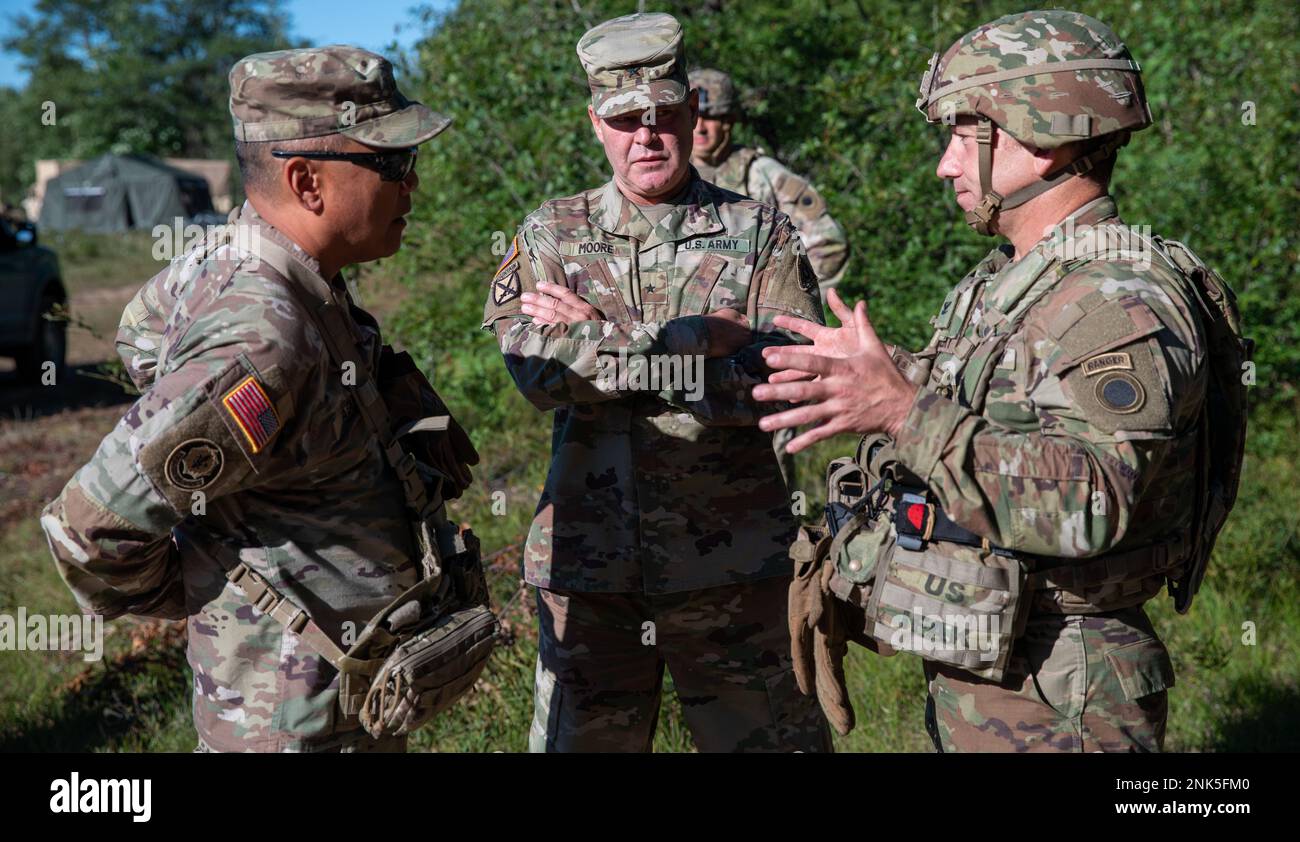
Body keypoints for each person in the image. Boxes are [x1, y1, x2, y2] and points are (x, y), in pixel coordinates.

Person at [756, 10, 1240, 752]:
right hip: (1004, 667)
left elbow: (1094, 499)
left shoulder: (1118, 300)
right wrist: (872, 378)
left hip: (1064, 687)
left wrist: (902, 411)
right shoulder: (1015, 280)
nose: (945, 165)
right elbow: (1006, 404)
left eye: (964, 136)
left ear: (1045, 140)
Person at [40, 45, 479, 753]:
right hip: (292, 723)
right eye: (391, 164)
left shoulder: (281, 268)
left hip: (342, 704)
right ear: (307, 181)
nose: (413, 184)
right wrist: (202, 589)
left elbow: (142, 334)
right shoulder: (264, 340)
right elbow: (87, 531)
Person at [482, 11, 830, 752]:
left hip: (734, 571)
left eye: (664, 115)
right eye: (625, 119)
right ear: (594, 124)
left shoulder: (760, 231)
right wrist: (698, 340)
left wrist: (599, 341)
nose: (647, 135)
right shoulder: (552, 232)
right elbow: (537, 371)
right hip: (591, 573)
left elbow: (784, 380)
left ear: (693, 113)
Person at [689, 67, 850, 491]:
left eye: (716, 117)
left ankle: (785, 546)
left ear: (732, 121)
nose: (703, 128)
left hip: (754, 342)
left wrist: (791, 315)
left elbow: (826, 244)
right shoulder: (665, 174)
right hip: (689, 339)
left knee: (767, 451)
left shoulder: (760, 174)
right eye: (697, 117)